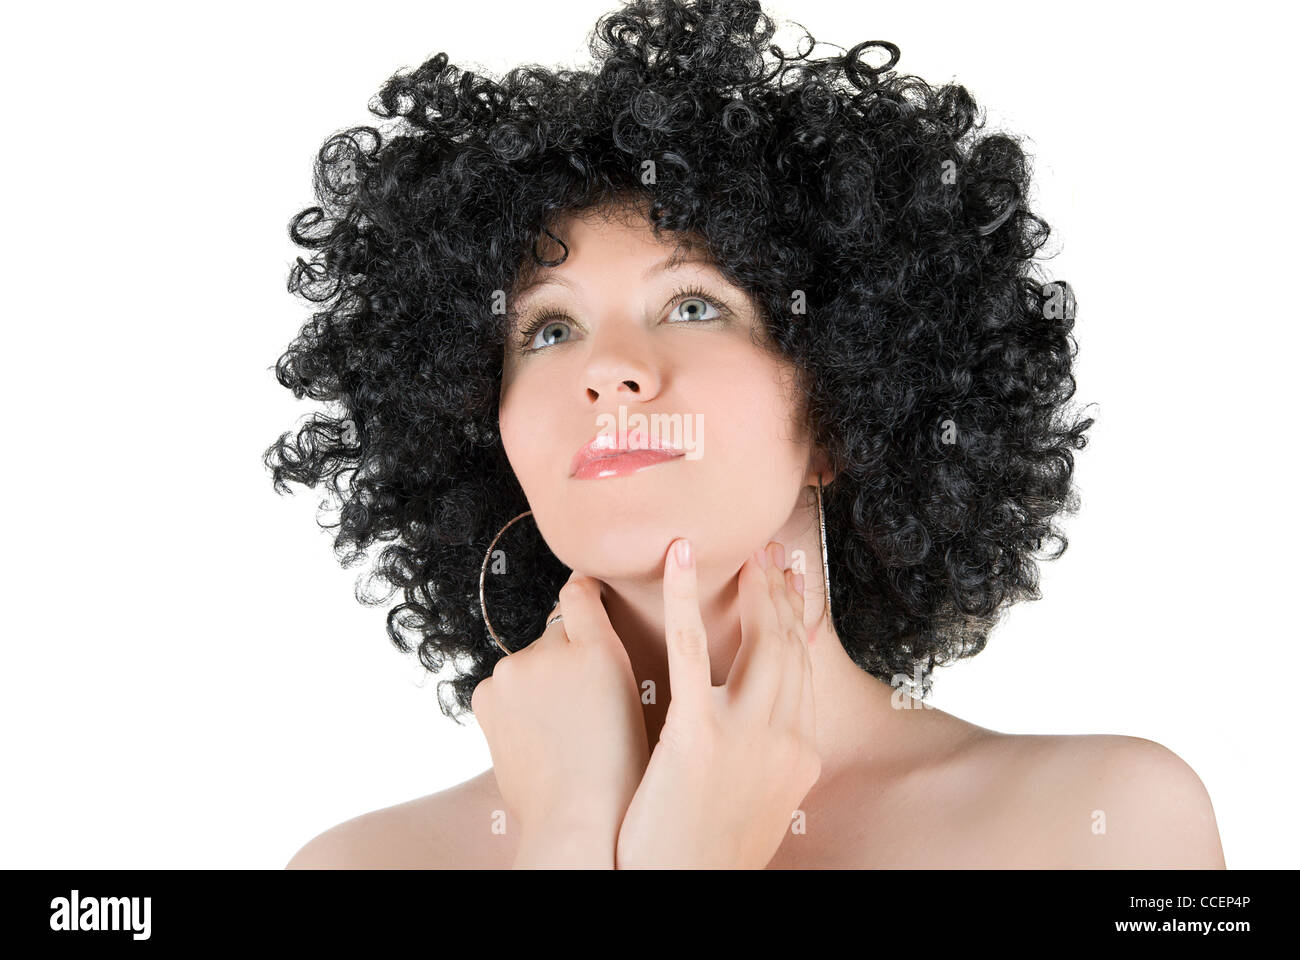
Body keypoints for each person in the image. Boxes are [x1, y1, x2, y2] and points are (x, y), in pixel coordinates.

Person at [267, 0, 1225, 868]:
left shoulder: (1105, 823)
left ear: (844, 410)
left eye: (692, 306)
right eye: (548, 329)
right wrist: (566, 837)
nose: (606, 367)